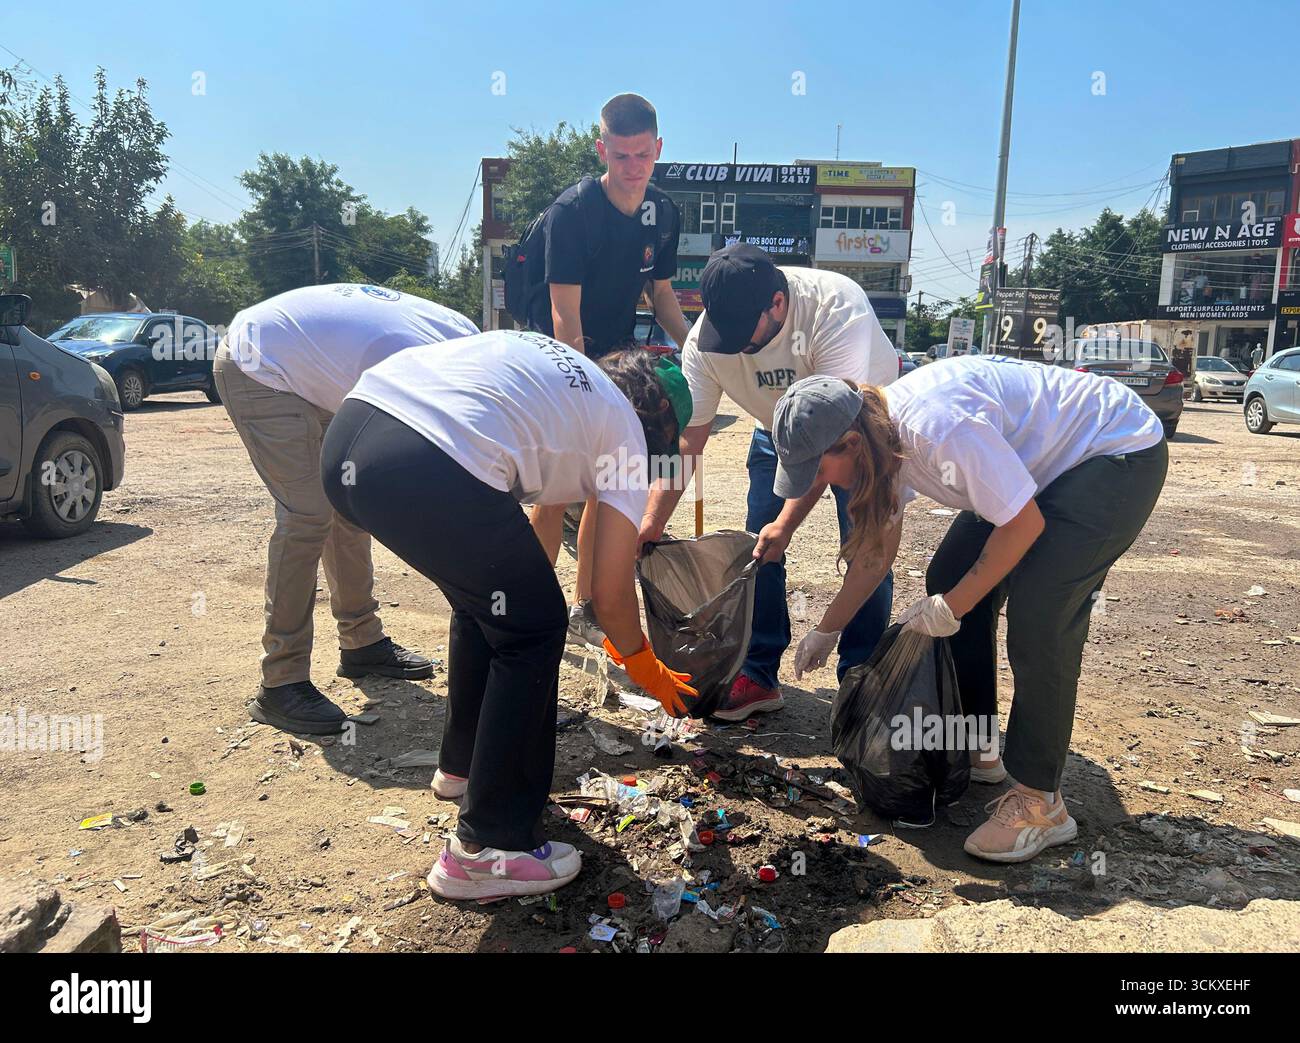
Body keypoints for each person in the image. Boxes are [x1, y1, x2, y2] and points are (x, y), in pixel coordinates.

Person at [321, 329, 696, 898]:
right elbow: (613, 595)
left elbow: (537, 534)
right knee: (534, 626)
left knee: (490, 606)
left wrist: (519, 601)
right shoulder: (622, 433)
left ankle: (465, 767)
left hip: (354, 438)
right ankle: (486, 849)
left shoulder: (570, 392)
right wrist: (642, 662)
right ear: (659, 425)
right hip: (427, 456)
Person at [769, 355, 1167, 862]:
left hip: (1112, 453)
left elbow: (1023, 527)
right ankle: (981, 742)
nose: (822, 483)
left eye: (821, 470)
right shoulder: (879, 441)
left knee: (1041, 616)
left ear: (850, 443)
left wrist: (951, 607)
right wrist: (827, 630)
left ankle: (1040, 804)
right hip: (1038, 463)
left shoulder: (938, 431)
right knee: (950, 578)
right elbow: (873, 557)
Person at [638, 243, 898, 721]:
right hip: (773, 428)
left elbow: (828, 441)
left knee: (866, 545)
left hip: (858, 430)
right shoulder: (705, 344)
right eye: (725, 331)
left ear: (778, 304)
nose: (734, 345)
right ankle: (758, 674)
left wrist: (788, 523)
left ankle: (861, 681)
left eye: (744, 333)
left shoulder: (835, 309)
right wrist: (651, 523)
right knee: (759, 545)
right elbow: (690, 442)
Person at [213, 283, 479, 735]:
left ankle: (361, 642)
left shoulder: (465, 340)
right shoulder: (422, 365)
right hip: (260, 364)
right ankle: (280, 681)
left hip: (313, 365)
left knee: (347, 504)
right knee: (307, 515)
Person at [524, 93, 691, 648]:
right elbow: (562, 310)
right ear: (603, 150)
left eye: (643, 155)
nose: (633, 167)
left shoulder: (663, 213)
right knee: (557, 484)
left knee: (606, 481)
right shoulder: (573, 214)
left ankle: (586, 604)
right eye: (621, 156)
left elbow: (661, 294)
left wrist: (694, 350)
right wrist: (581, 384)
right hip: (561, 355)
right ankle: (530, 604)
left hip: (619, 356)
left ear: (658, 149)